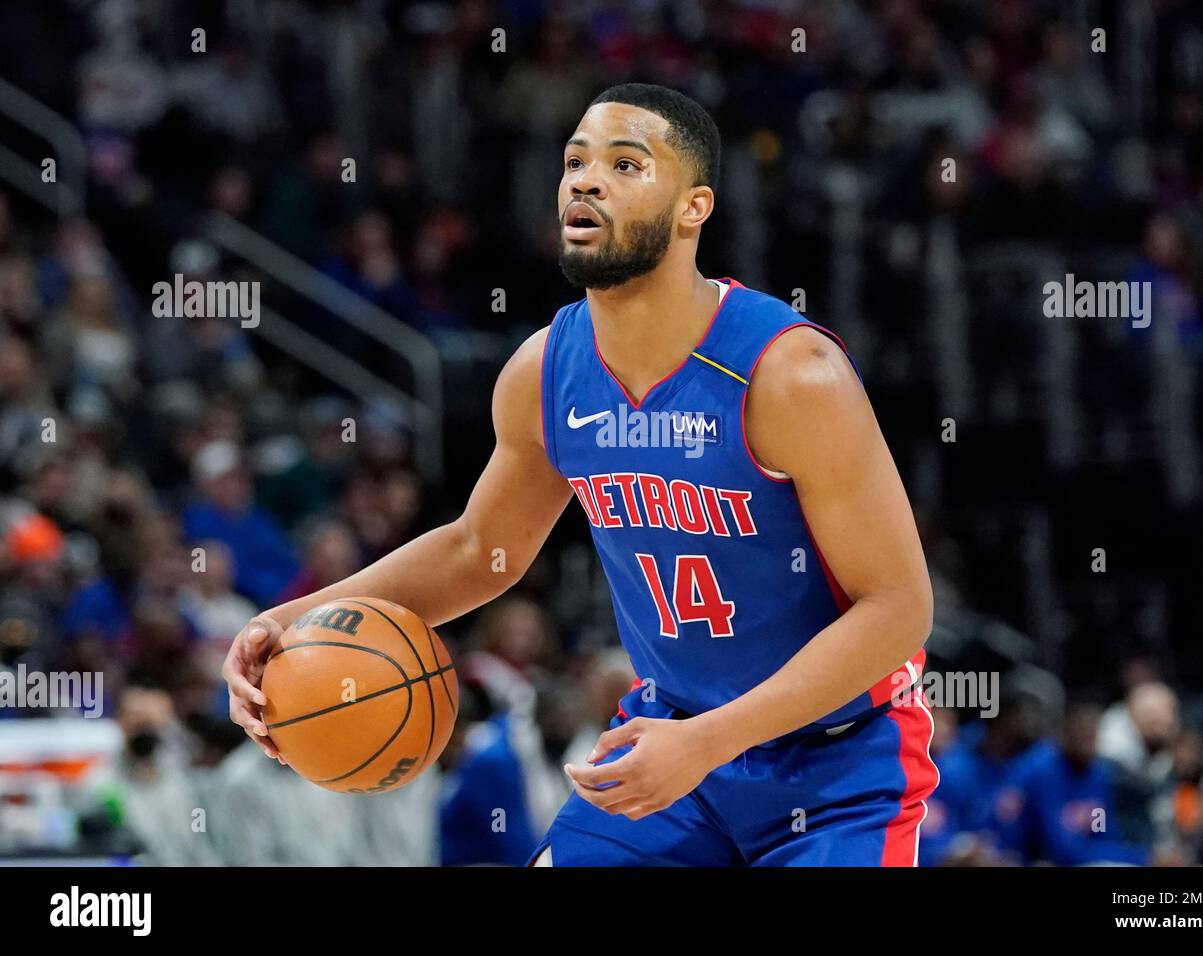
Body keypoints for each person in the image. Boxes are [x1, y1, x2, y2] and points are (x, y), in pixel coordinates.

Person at [223, 83, 937, 867]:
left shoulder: (792, 375)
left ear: (694, 207)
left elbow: (898, 608)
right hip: (668, 743)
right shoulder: (545, 371)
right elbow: (476, 553)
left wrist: (708, 741)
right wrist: (286, 624)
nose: (585, 180)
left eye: (626, 164)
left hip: (835, 767)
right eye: (574, 162)